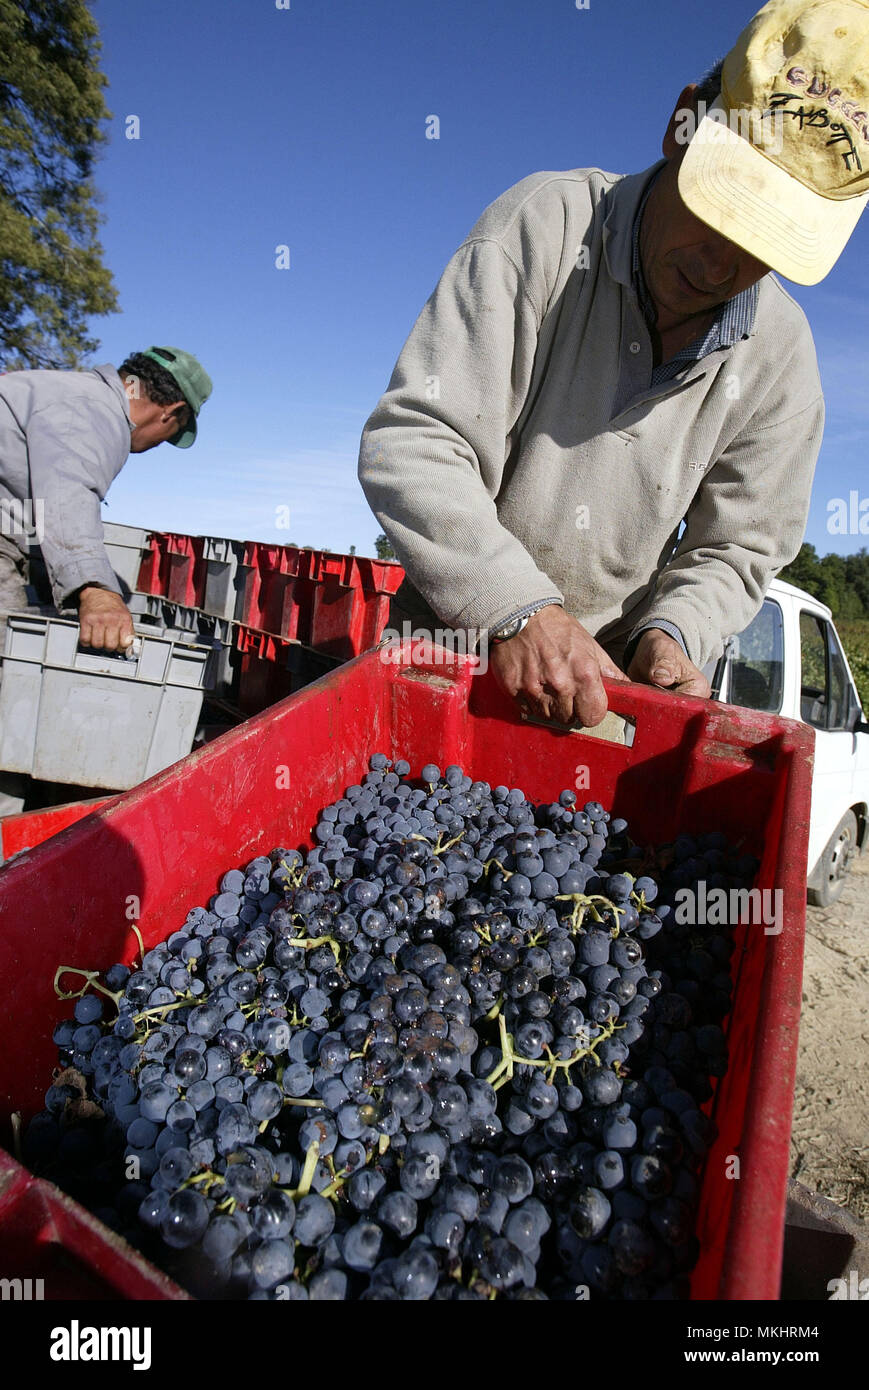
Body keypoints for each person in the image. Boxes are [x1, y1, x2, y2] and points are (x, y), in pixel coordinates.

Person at [358, 0, 868, 727]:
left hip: (604, 694)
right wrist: (514, 609)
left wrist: (673, 632)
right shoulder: (543, 226)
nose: (721, 264)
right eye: (723, 205)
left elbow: (739, 546)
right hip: (441, 656)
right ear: (682, 123)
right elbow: (418, 441)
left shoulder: (781, 360)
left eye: (769, 241)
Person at [0, 346, 212, 653]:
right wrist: (96, 590)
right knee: (11, 648)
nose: (159, 444)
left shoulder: (78, 394)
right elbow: (67, 495)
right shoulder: (93, 411)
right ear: (171, 411)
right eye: (172, 434)